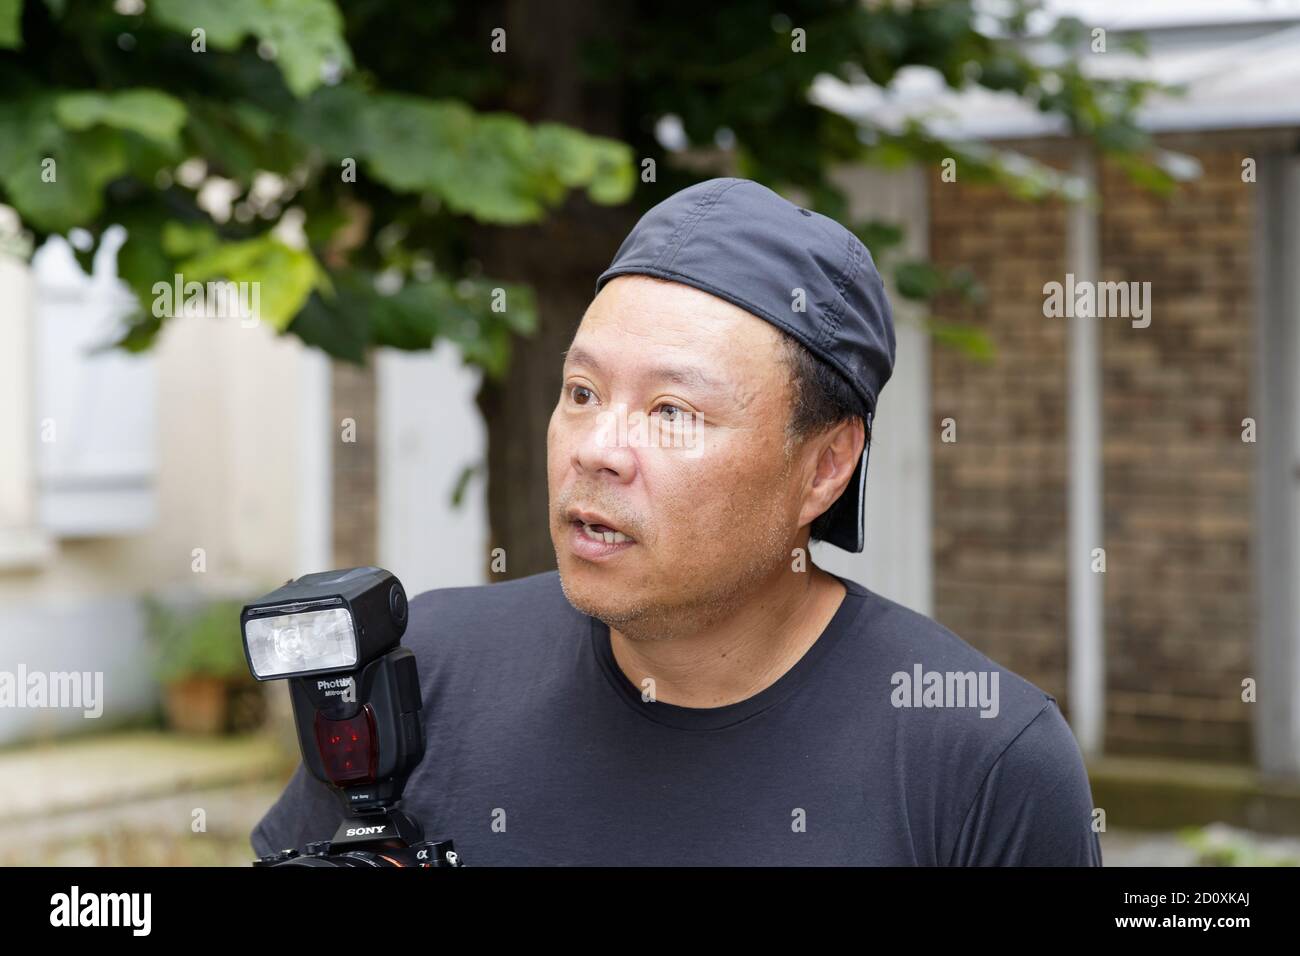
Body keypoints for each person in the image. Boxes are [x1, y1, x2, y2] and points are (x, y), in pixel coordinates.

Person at [251, 177, 1102, 866]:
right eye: (582, 393)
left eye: (672, 411)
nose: (599, 450)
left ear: (825, 466)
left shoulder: (979, 756)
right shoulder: (426, 674)